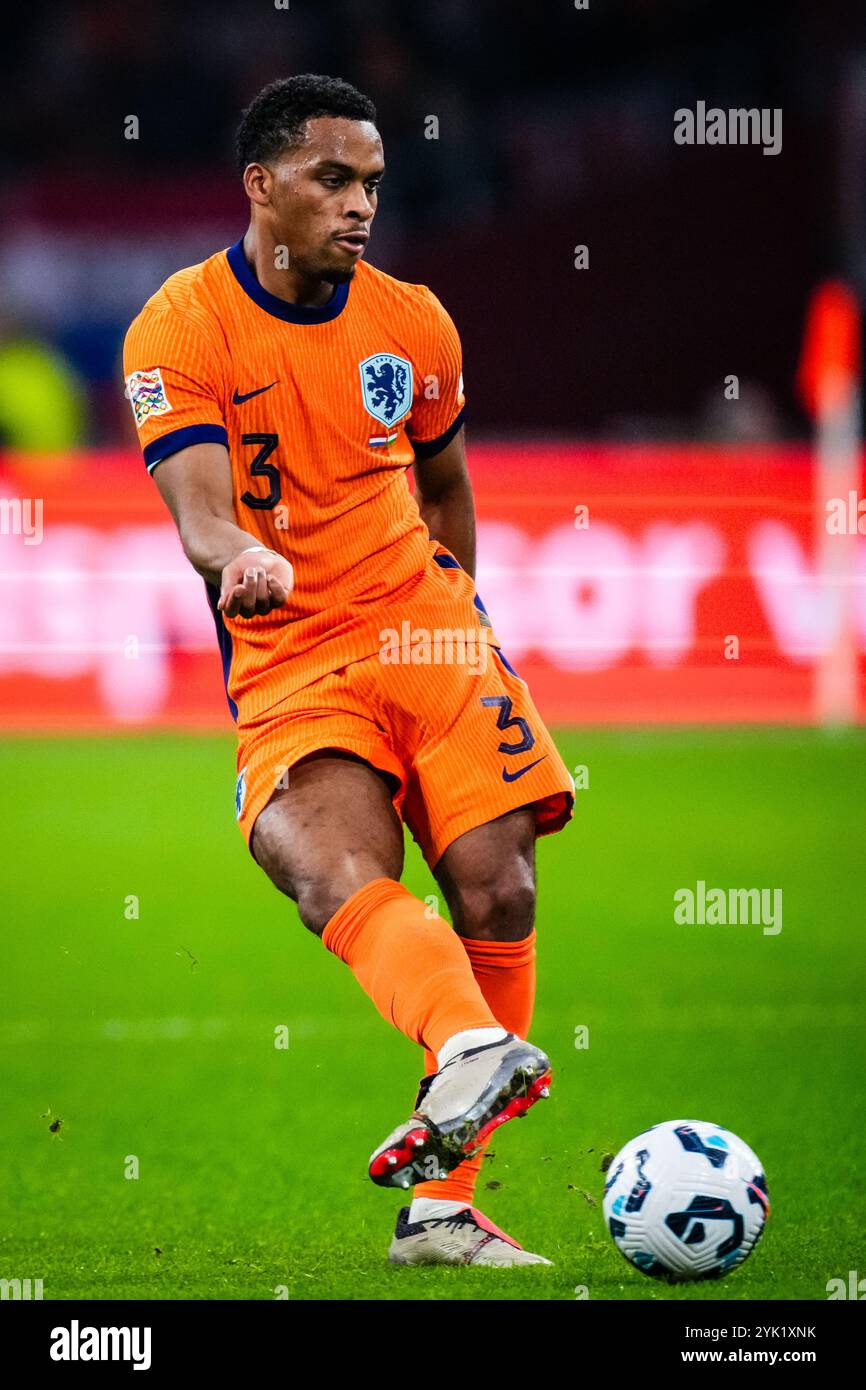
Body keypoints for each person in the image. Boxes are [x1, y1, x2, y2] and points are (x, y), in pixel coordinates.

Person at [123, 73, 573, 1267]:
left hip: (424, 628)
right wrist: (239, 559)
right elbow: (198, 514)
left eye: (372, 182)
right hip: (291, 656)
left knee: (501, 888)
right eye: (332, 180)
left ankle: (441, 1211)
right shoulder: (180, 325)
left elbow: (444, 485)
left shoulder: (414, 321)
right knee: (322, 868)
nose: (360, 204)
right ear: (260, 188)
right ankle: (472, 1050)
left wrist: (465, 619)